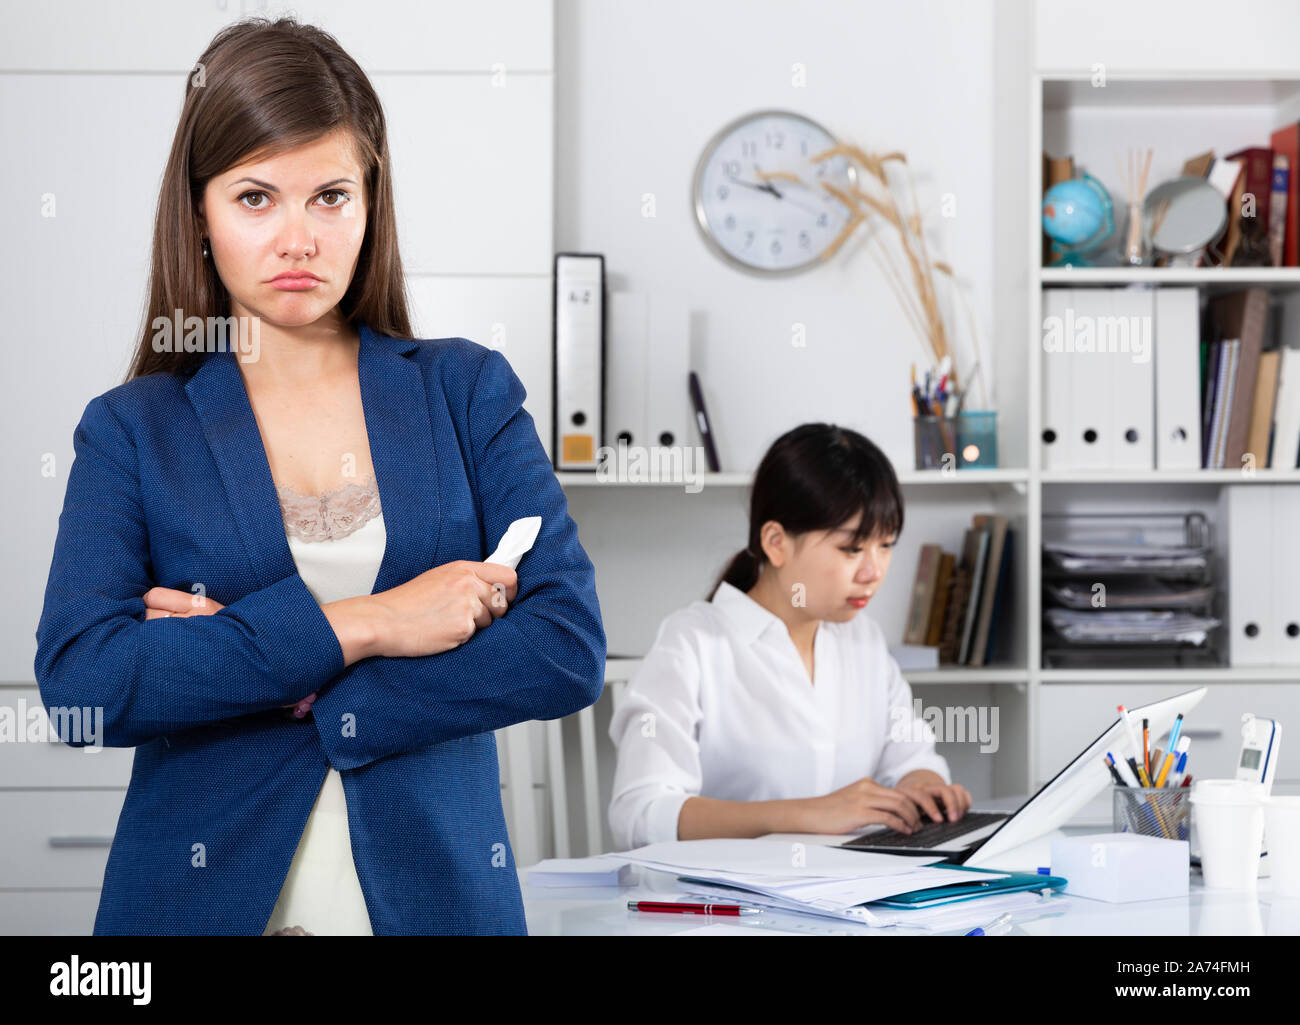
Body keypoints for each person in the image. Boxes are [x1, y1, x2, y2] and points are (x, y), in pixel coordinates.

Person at [33, 16, 605, 935]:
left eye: (330, 196)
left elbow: (564, 646)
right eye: (256, 198)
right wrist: (371, 623)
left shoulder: (466, 391)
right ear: (200, 213)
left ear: (371, 203)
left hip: (438, 904)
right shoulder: (134, 428)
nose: (298, 238)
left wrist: (285, 678)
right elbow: (82, 687)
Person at [607, 422, 970, 851]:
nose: (873, 572)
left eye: (886, 545)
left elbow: (910, 759)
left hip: (849, 885)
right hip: (725, 891)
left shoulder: (863, 641)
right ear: (776, 542)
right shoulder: (693, 643)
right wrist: (805, 814)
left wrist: (924, 787)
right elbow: (640, 812)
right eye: (851, 549)